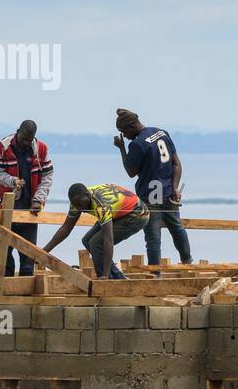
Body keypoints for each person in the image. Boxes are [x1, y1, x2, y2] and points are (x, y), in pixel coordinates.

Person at [113, 108, 191, 267]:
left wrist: (122, 148)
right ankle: (187, 262)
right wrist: (175, 188)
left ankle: (155, 273)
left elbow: (131, 172)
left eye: (123, 132)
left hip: (151, 196)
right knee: (177, 228)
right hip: (169, 192)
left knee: (153, 236)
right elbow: (177, 164)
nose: (125, 137)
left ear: (132, 125)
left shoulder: (137, 144)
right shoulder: (161, 133)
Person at [41, 182, 148, 280]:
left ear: (87, 196)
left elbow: (108, 239)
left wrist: (104, 275)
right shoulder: (77, 203)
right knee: (87, 240)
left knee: (96, 242)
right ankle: (117, 276)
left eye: (80, 204)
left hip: (137, 214)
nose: (80, 209)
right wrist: (44, 251)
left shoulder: (101, 205)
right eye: (76, 206)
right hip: (118, 212)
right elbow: (66, 228)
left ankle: (107, 279)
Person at [0, 119, 53, 276]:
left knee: (28, 257)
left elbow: (47, 176)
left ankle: (25, 290)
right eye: (23, 139)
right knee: (2, 255)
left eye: (28, 140)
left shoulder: (41, 149)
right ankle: (4, 289)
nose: (25, 143)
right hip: (8, 206)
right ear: (17, 131)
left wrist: (38, 199)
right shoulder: (4, 146)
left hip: (29, 208)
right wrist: (13, 181)